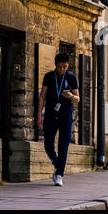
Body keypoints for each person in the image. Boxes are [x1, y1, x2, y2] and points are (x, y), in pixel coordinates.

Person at [37, 52, 80, 186]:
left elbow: (78, 98)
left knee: (63, 146)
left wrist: (71, 96)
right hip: (50, 114)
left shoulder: (71, 77)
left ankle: (59, 174)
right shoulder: (49, 76)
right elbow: (42, 96)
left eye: (65, 67)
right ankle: (58, 164)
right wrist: (39, 115)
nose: (62, 69)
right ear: (55, 65)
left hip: (66, 115)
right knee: (48, 144)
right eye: (60, 67)